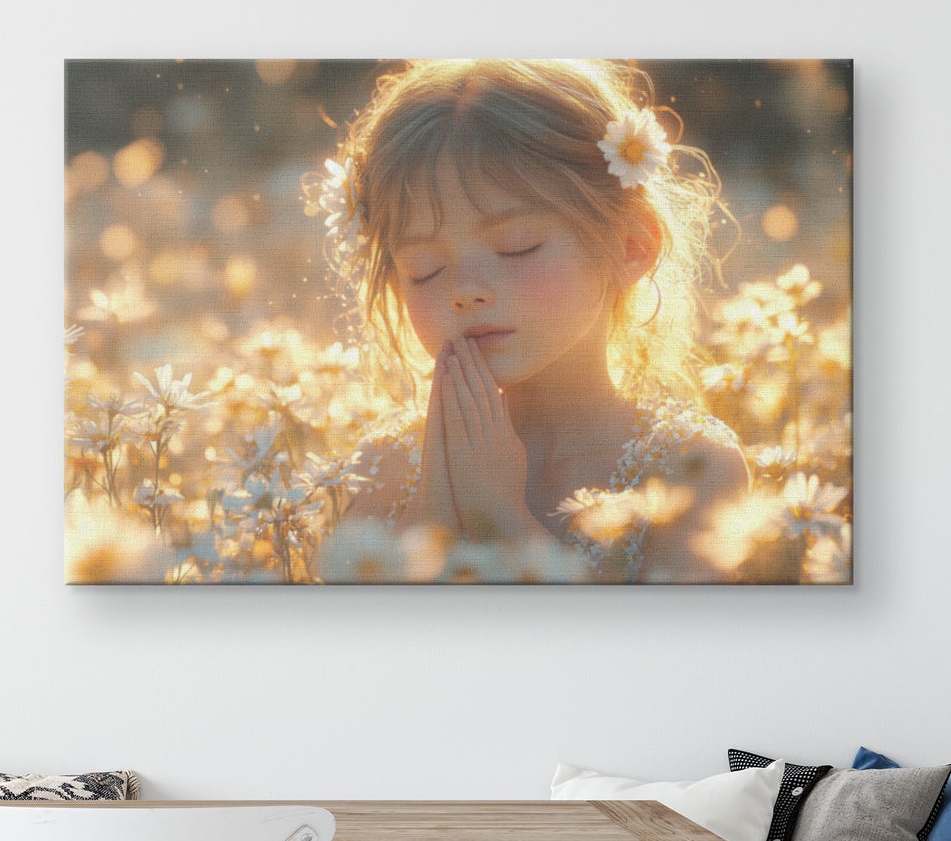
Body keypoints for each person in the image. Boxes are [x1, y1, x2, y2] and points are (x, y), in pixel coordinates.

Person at [306, 59, 750, 582]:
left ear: (631, 246)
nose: (464, 291)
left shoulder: (691, 471)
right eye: (424, 269)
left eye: (518, 247)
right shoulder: (377, 468)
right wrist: (432, 518)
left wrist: (500, 523)